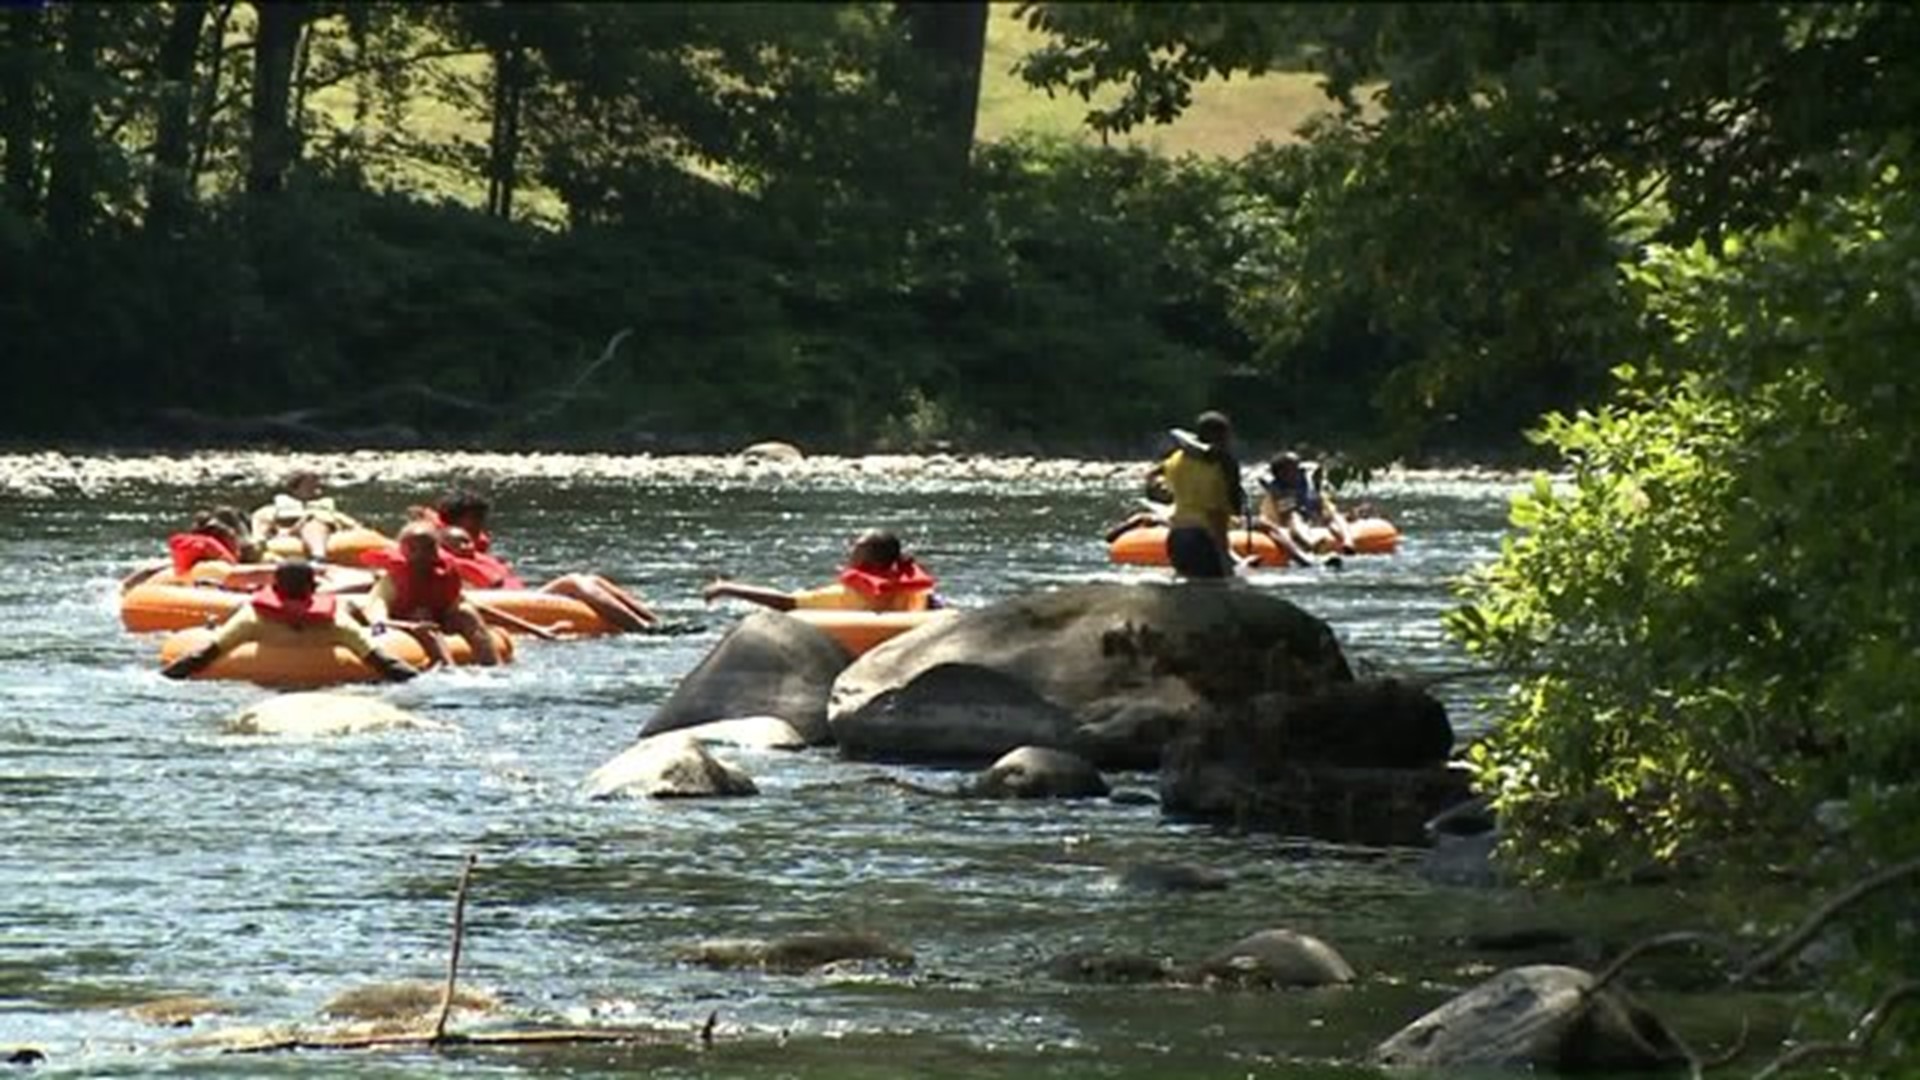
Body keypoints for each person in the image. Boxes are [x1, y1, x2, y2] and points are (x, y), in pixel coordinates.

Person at [419, 490, 660, 633]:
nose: (480, 527)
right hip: (498, 603)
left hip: (518, 597)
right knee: (573, 582)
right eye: (475, 521)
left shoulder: (470, 548)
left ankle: (654, 622)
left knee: (592, 579)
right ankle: (642, 630)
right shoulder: (440, 549)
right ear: (455, 523)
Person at [160, 560, 416, 681]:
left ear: (275, 586)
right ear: (314, 587)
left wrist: (160, 679)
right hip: (326, 685)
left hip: (265, 685)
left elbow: (202, 656)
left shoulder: (253, 617)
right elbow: (384, 662)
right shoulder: (336, 620)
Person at [359, 524, 503, 667]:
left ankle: (494, 668)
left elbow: (461, 605)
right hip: (404, 624)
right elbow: (377, 623)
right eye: (417, 549)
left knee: (467, 614)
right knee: (421, 616)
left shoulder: (443, 573)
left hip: (438, 621)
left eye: (429, 548)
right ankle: (449, 672)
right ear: (405, 551)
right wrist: (411, 626)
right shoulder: (391, 582)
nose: (425, 555)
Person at [704, 530, 940, 613]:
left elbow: (786, 603)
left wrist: (727, 588)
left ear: (871, 565)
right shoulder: (916, 592)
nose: (849, 555)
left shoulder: (851, 595)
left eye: (856, 552)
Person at [1151, 411, 1248, 579]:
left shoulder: (1177, 458)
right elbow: (1217, 515)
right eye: (1227, 436)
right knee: (1218, 595)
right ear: (1220, 435)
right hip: (1204, 540)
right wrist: (1226, 560)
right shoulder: (1220, 465)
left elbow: (1154, 477)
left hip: (1176, 538)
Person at [250, 470, 364, 562]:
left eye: (317, 486)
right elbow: (259, 537)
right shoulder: (268, 512)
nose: (317, 491)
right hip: (287, 541)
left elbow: (358, 530)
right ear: (294, 488)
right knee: (311, 521)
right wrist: (292, 530)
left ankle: (319, 557)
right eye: (310, 486)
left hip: (327, 539)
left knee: (314, 521)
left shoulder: (329, 512)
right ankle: (319, 557)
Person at [1258, 452, 1355, 558]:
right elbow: (1280, 518)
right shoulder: (1276, 493)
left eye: (1298, 468)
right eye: (1293, 469)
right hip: (1290, 526)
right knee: (1294, 517)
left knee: (1335, 516)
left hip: (1315, 520)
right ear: (1280, 473)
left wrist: (1323, 516)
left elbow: (1326, 509)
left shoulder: (1308, 486)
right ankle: (1312, 543)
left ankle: (1348, 541)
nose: (1298, 472)